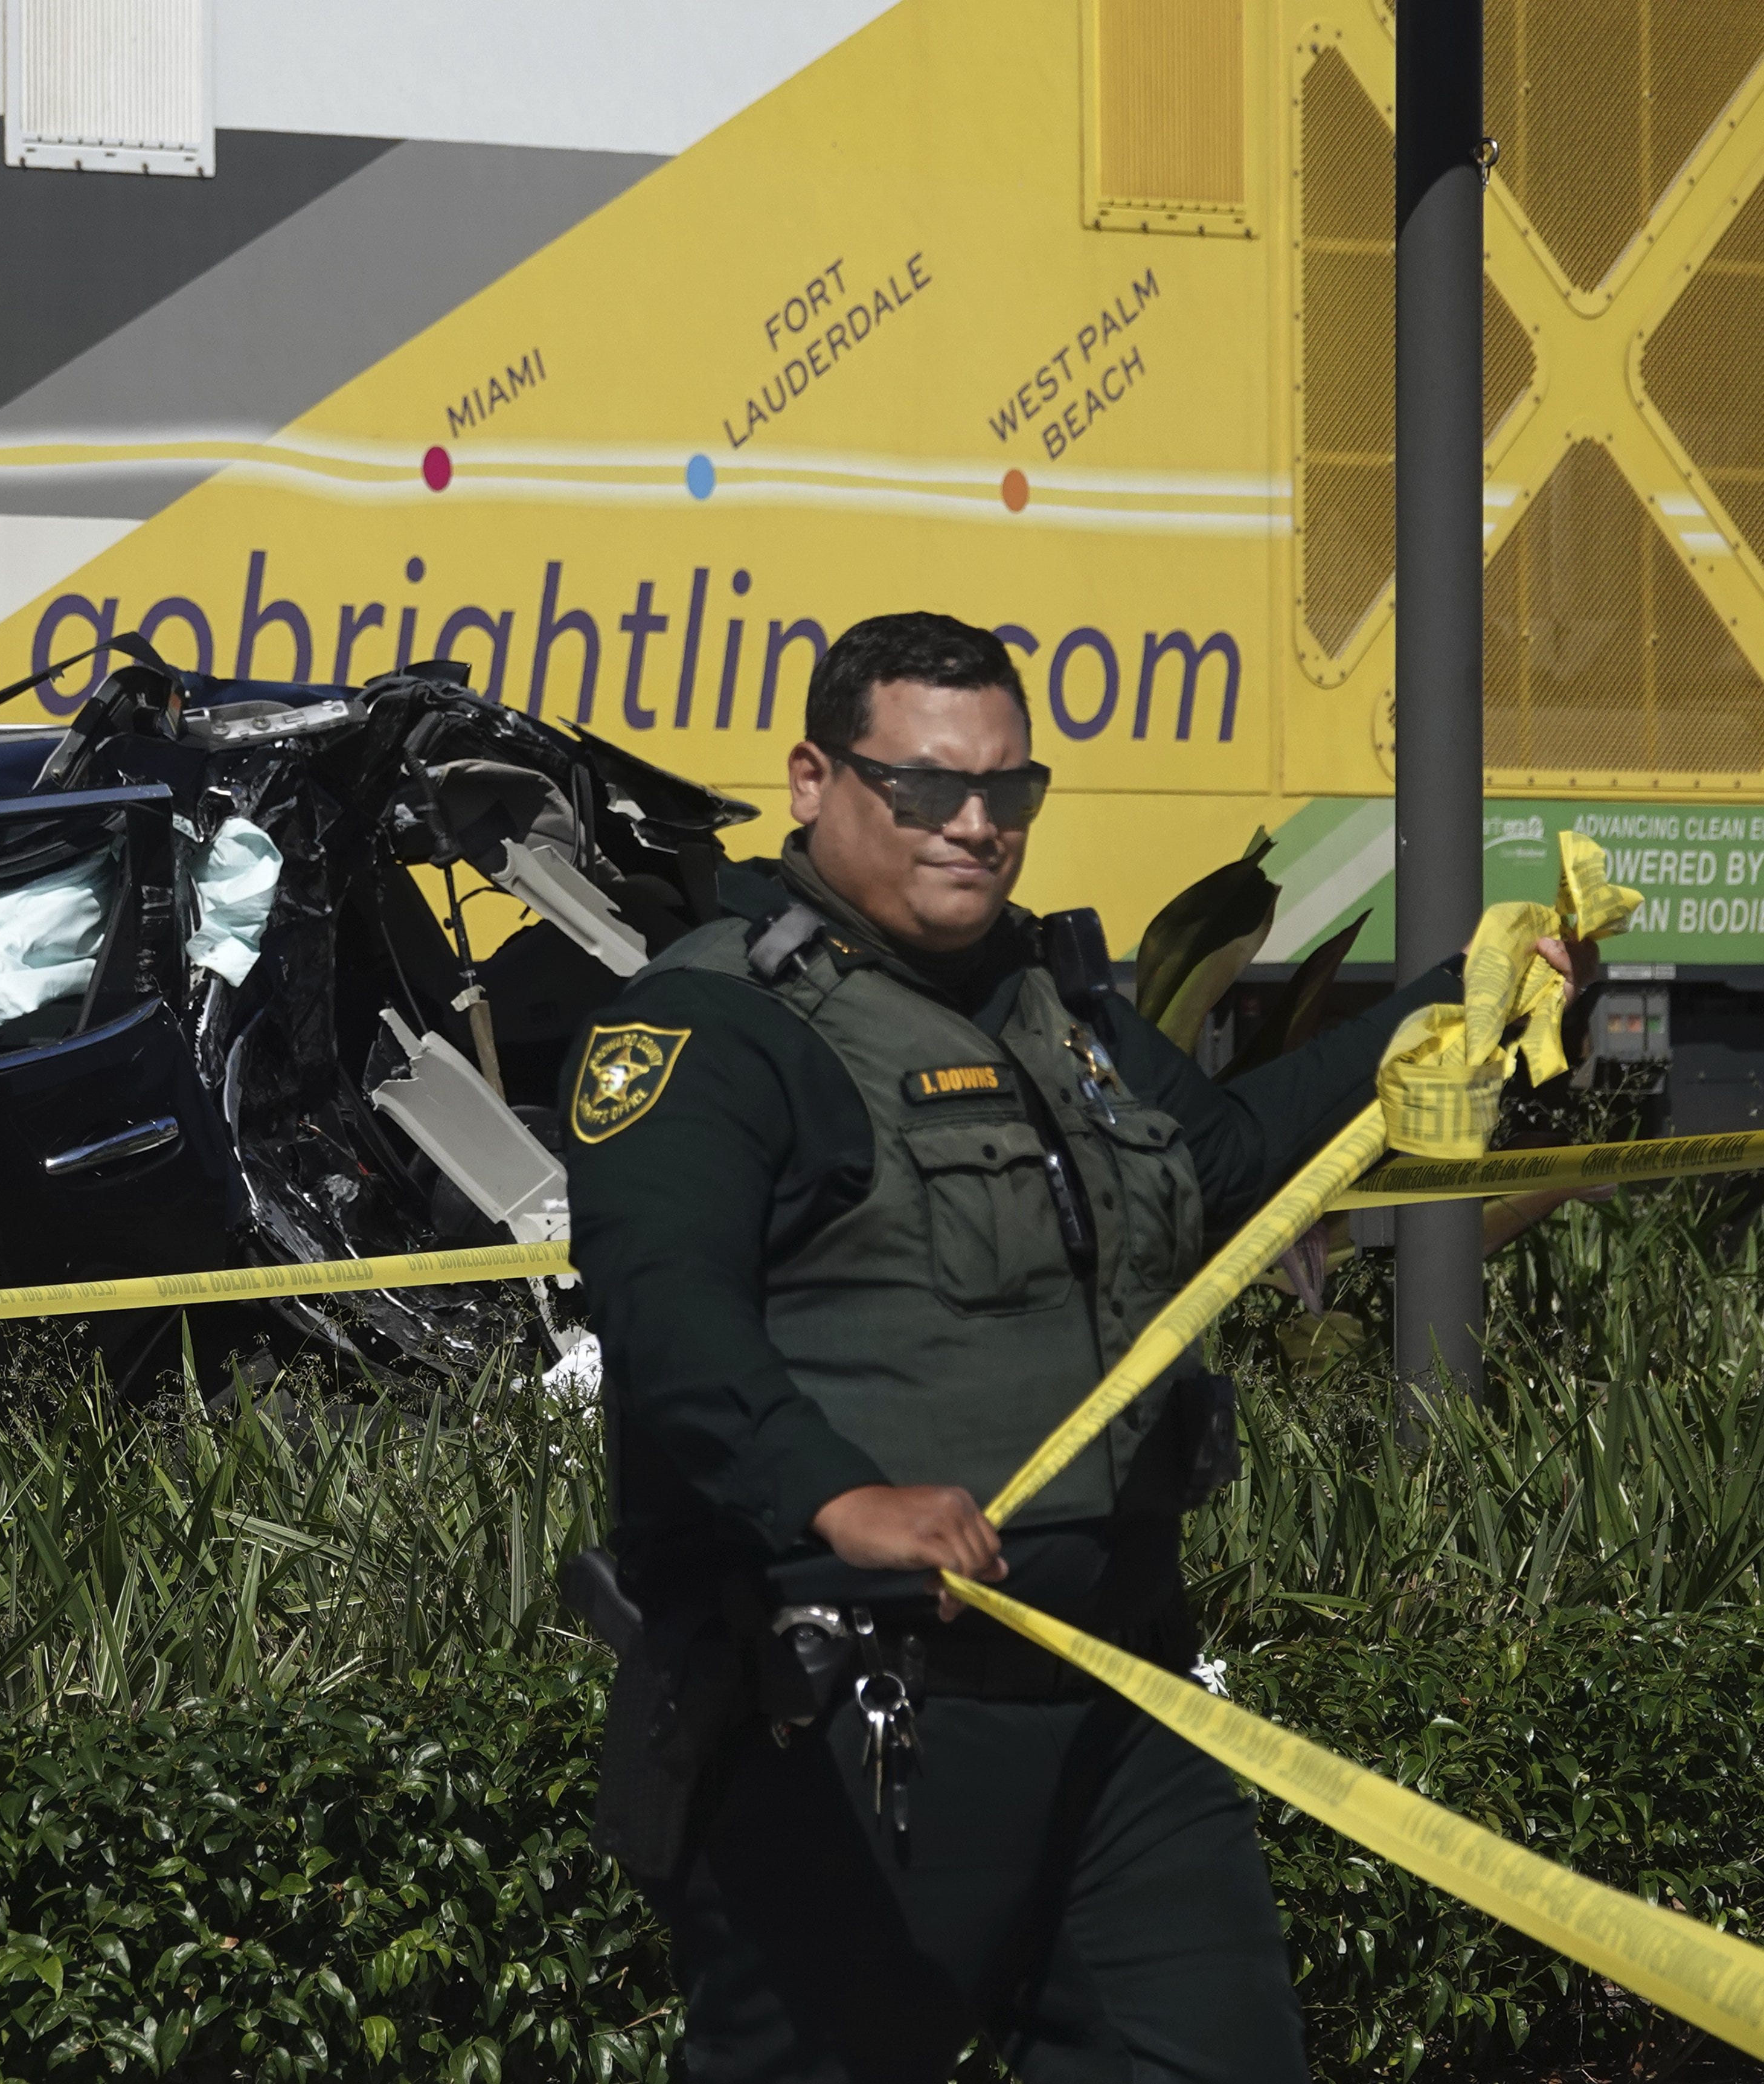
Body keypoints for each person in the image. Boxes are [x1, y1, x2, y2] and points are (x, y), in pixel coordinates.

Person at [560, 611, 1588, 2083]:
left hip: (1124, 1700)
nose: (972, 827)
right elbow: (667, 1319)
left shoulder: (1062, 1004)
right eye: (922, 789)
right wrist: (834, 1497)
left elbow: (1226, 1157)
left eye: (1007, 792)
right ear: (810, 781)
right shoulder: (711, 1030)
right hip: (862, 1722)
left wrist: (1462, 1007)